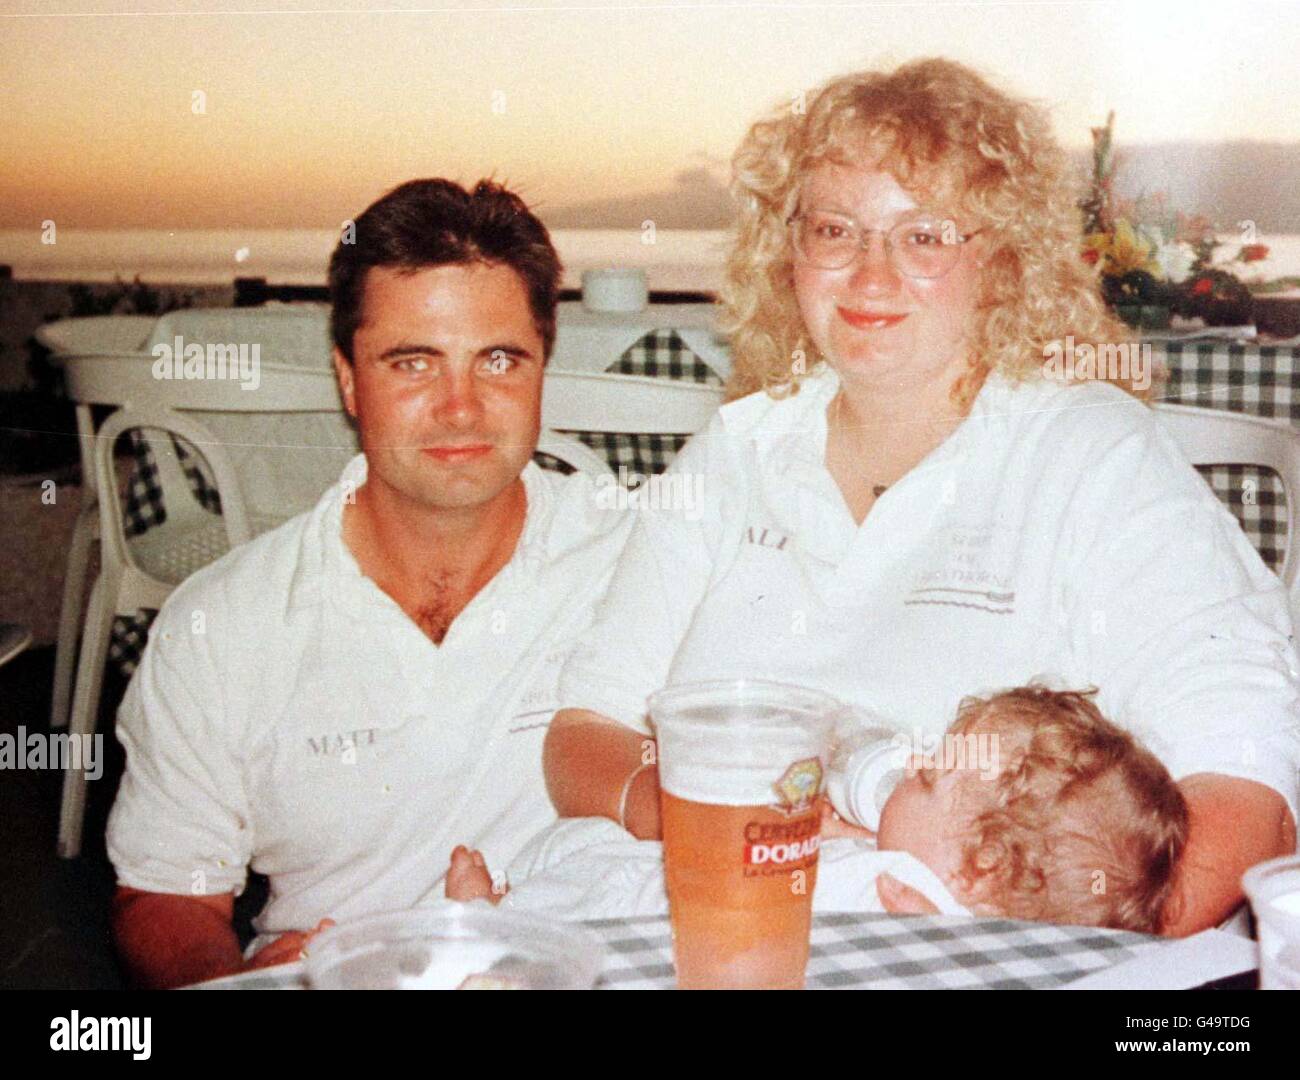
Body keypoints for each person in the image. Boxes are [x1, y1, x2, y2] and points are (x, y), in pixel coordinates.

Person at [543, 58, 1300, 935]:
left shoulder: (1087, 453)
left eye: (925, 236)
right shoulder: (740, 450)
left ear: (1006, 260)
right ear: (787, 253)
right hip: (703, 930)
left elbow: (1244, 795)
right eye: (834, 230)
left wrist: (1028, 962)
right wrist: (691, 815)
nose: (871, 276)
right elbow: (583, 735)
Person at [107, 178, 631, 988]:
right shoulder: (224, 623)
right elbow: (167, 894)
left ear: (542, 370)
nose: (461, 408)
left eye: (497, 359)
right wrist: (231, 982)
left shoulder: (639, 562)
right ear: (348, 380)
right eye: (413, 363)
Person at [451, 687, 1189, 934]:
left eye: (926, 780)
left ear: (981, 865)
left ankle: (488, 929)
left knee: (595, 871)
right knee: (586, 848)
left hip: (662, 923)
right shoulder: (921, 885)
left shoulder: (905, 909)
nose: (905, 777)